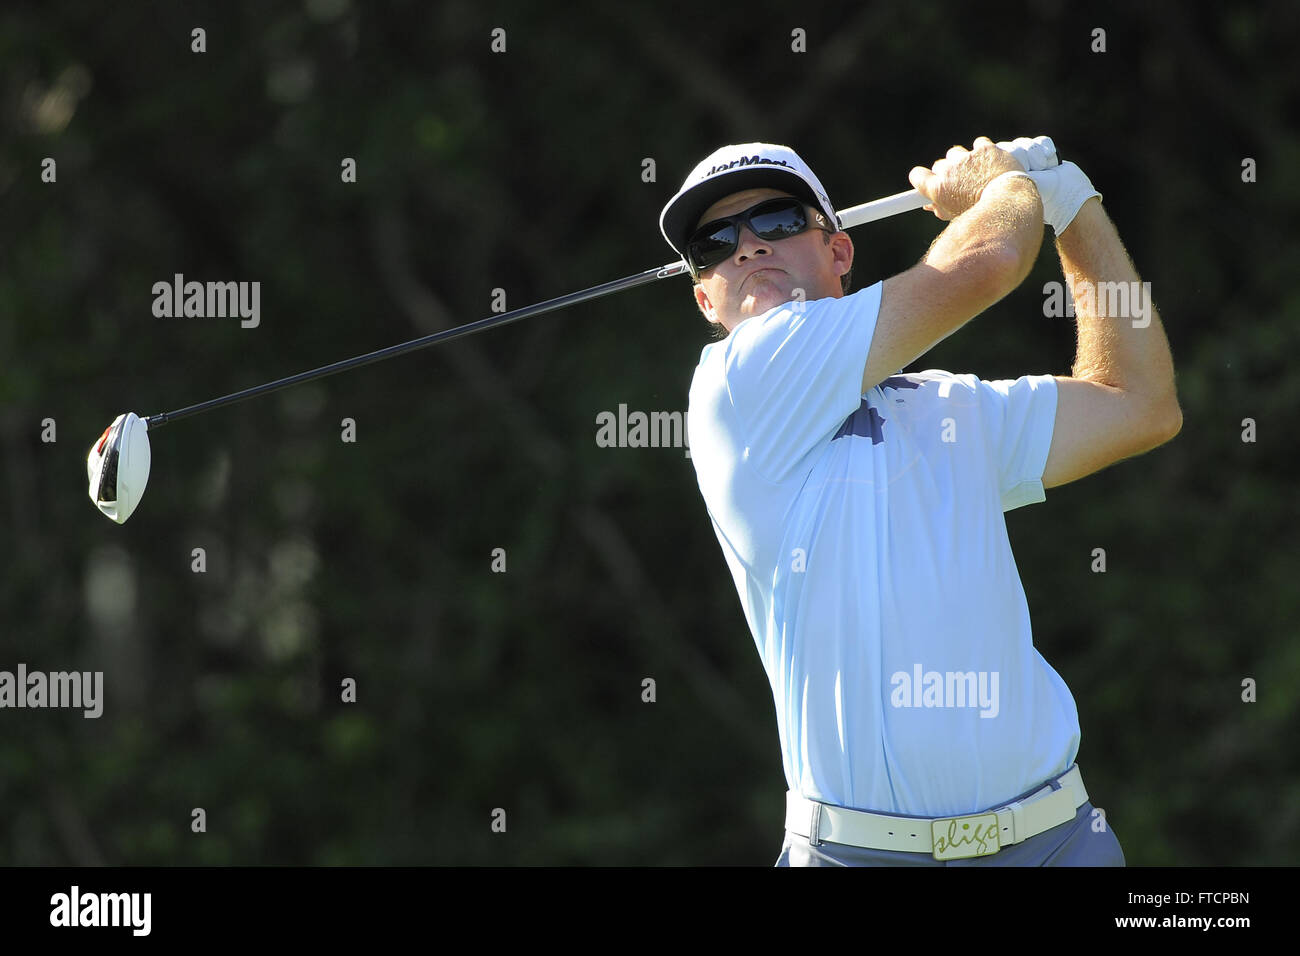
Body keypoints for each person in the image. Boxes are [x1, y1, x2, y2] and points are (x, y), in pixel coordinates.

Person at [659, 137, 1181, 866]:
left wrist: (1075, 209)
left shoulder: (947, 404)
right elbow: (988, 262)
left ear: (839, 252)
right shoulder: (737, 383)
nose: (746, 247)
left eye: (776, 222)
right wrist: (1004, 186)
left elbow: (1139, 404)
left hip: (1058, 841)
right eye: (715, 243)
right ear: (704, 297)